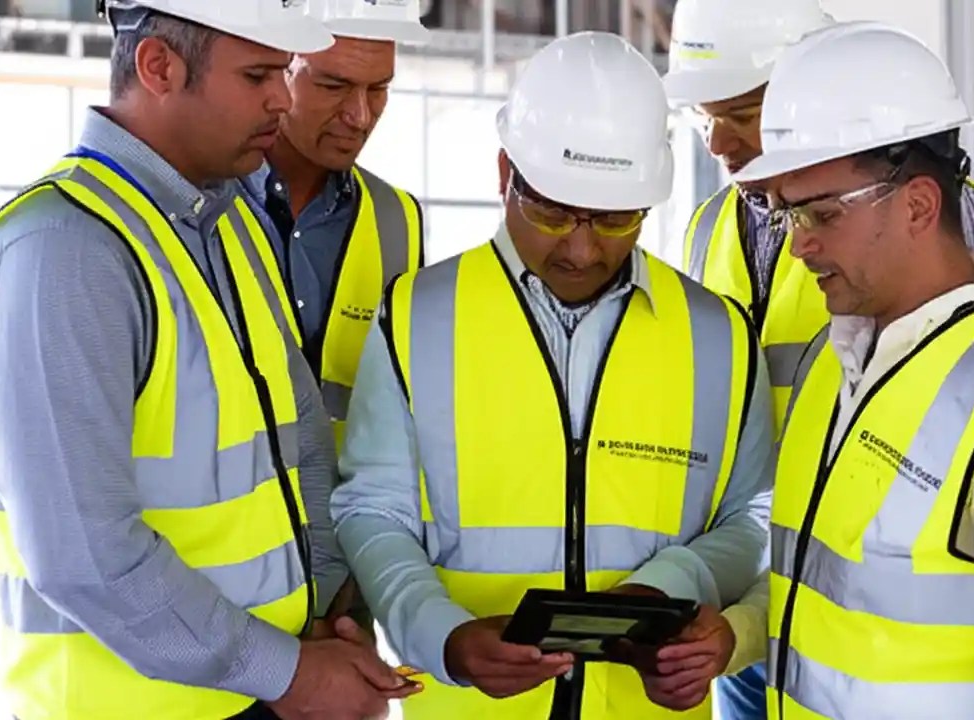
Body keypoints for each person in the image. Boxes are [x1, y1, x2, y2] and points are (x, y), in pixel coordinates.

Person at [0, 2, 418, 719]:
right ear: (158, 67)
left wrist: (323, 615)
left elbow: (298, 442)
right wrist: (290, 672)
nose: (282, 98)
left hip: (259, 686)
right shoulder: (61, 252)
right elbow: (86, 558)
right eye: (258, 75)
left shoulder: (225, 223)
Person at [330, 30, 773, 719]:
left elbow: (753, 514)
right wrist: (443, 637)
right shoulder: (418, 315)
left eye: (614, 219)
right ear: (504, 173)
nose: (581, 248)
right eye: (552, 211)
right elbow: (372, 510)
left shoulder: (718, 334)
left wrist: (673, 586)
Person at [731, 21, 974, 718]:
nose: (798, 248)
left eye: (821, 215)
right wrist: (735, 635)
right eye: (789, 216)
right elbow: (821, 592)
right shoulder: (830, 365)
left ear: (918, 205)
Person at [659, 2, 974, 716]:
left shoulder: (944, 223)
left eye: (740, 113)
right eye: (704, 117)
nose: (717, 143)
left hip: (873, 617)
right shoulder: (707, 227)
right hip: (747, 599)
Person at [240, 0, 427, 452]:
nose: (360, 116)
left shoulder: (397, 220)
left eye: (378, 88)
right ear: (278, 67)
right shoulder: (199, 203)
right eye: (333, 86)